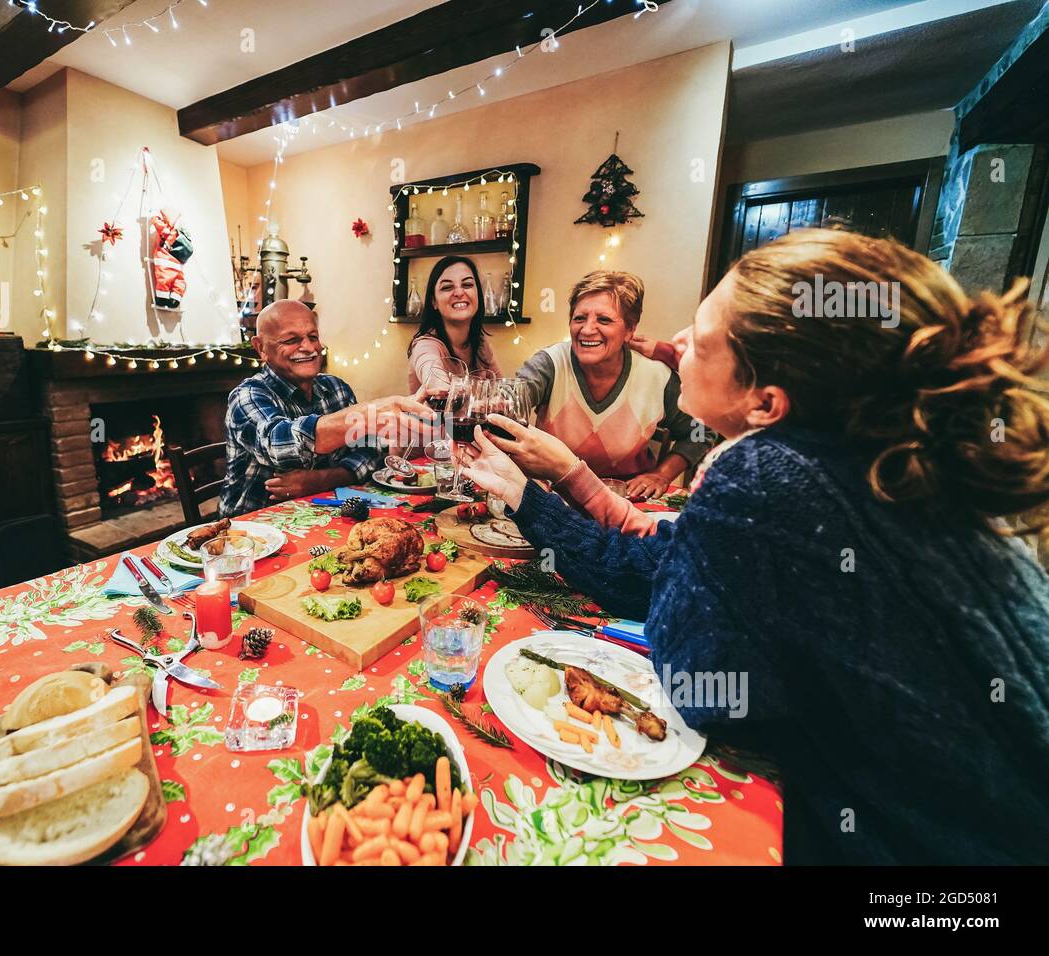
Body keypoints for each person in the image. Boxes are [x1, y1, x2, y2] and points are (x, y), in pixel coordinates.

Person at [462, 229, 1049, 864]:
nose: (675, 345)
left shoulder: (766, 475)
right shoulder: (880, 455)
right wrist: (530, 499)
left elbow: (704, 691)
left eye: (701, 337)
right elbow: (658, 569)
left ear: (766, 401)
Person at [221, 300, 434, 516]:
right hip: (250, 531)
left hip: (321, 515)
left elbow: (371, 452)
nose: (309, 347)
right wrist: (365, 416)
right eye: (291, 340)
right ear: (261, 348)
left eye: (313, 337)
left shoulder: (336, 388)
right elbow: (278, 444)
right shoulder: (248, 395)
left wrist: (322, 480)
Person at [515, 271, 710, 500]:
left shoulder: (656, 376)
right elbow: (514, 397)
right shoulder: (550, 363)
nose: (587, 329)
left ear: (630, 329)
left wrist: (662, 474)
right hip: (553, 495)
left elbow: (701, 429)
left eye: (604, 320)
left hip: (624, 500)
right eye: (579, 318)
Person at [407, 256, 503, 392]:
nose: (459, 292)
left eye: (467, 285)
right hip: (435, 414)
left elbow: (501, 391)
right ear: (434, 301)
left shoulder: (480, 344)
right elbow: (434, 381)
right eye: (447, 287)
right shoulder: (426, 345)